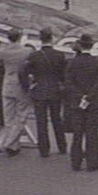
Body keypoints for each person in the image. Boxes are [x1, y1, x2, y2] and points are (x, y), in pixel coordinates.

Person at [20, 27, 67, 158]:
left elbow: (23, 72)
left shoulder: (34, 55)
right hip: (55, 90)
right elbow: (64, 74)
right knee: (56, 119)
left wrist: (27, 86)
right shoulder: (59, 55)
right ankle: (62, 145)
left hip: (39, 89)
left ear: (40, 39)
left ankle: (44, 149)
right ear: (51, 38)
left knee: (41, 121)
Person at [64, 34, 98, 172]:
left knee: (77, 134)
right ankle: (92, 163)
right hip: (92, 103)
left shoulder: (72, 63)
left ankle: (76, 162)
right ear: (91, 46)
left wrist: (80, 96)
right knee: (92, 133)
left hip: (76, 102)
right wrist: (88, 97)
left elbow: (68, 82)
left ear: (80, 45)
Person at [0, 28, 32, 157]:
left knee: (8, 117)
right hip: (21, 85)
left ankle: (13, 144)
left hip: (7, 84)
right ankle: (10, 143)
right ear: (20, 37)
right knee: (21, 115)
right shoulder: (26, 51)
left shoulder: (2, 51)